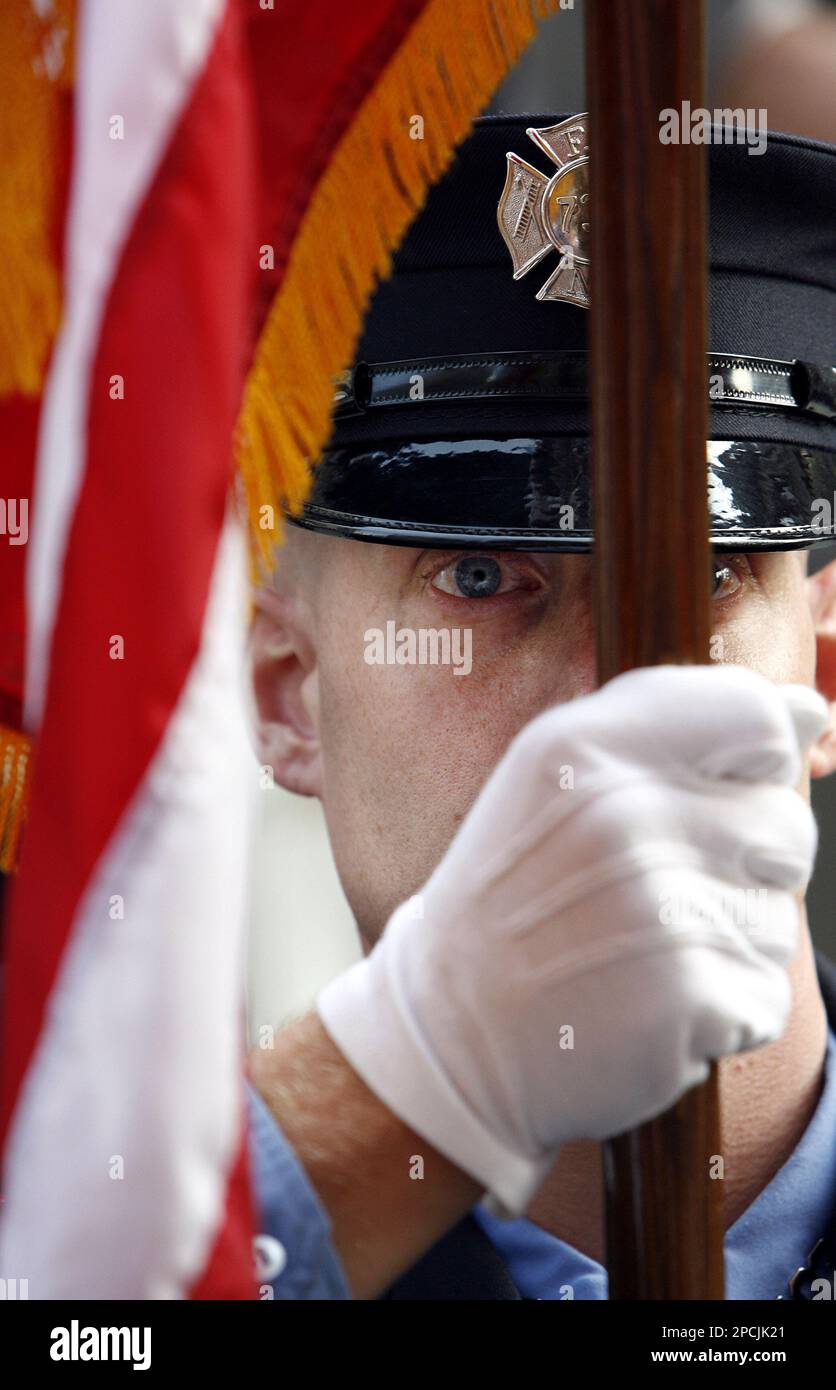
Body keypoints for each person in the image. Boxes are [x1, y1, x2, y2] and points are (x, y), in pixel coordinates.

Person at [247, 113, 836, 1299]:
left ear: (820, 672)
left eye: (706, 573)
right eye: (475, 579)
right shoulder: (112, 1231)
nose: (601, 702)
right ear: (288, 696)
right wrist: (389, 1102)